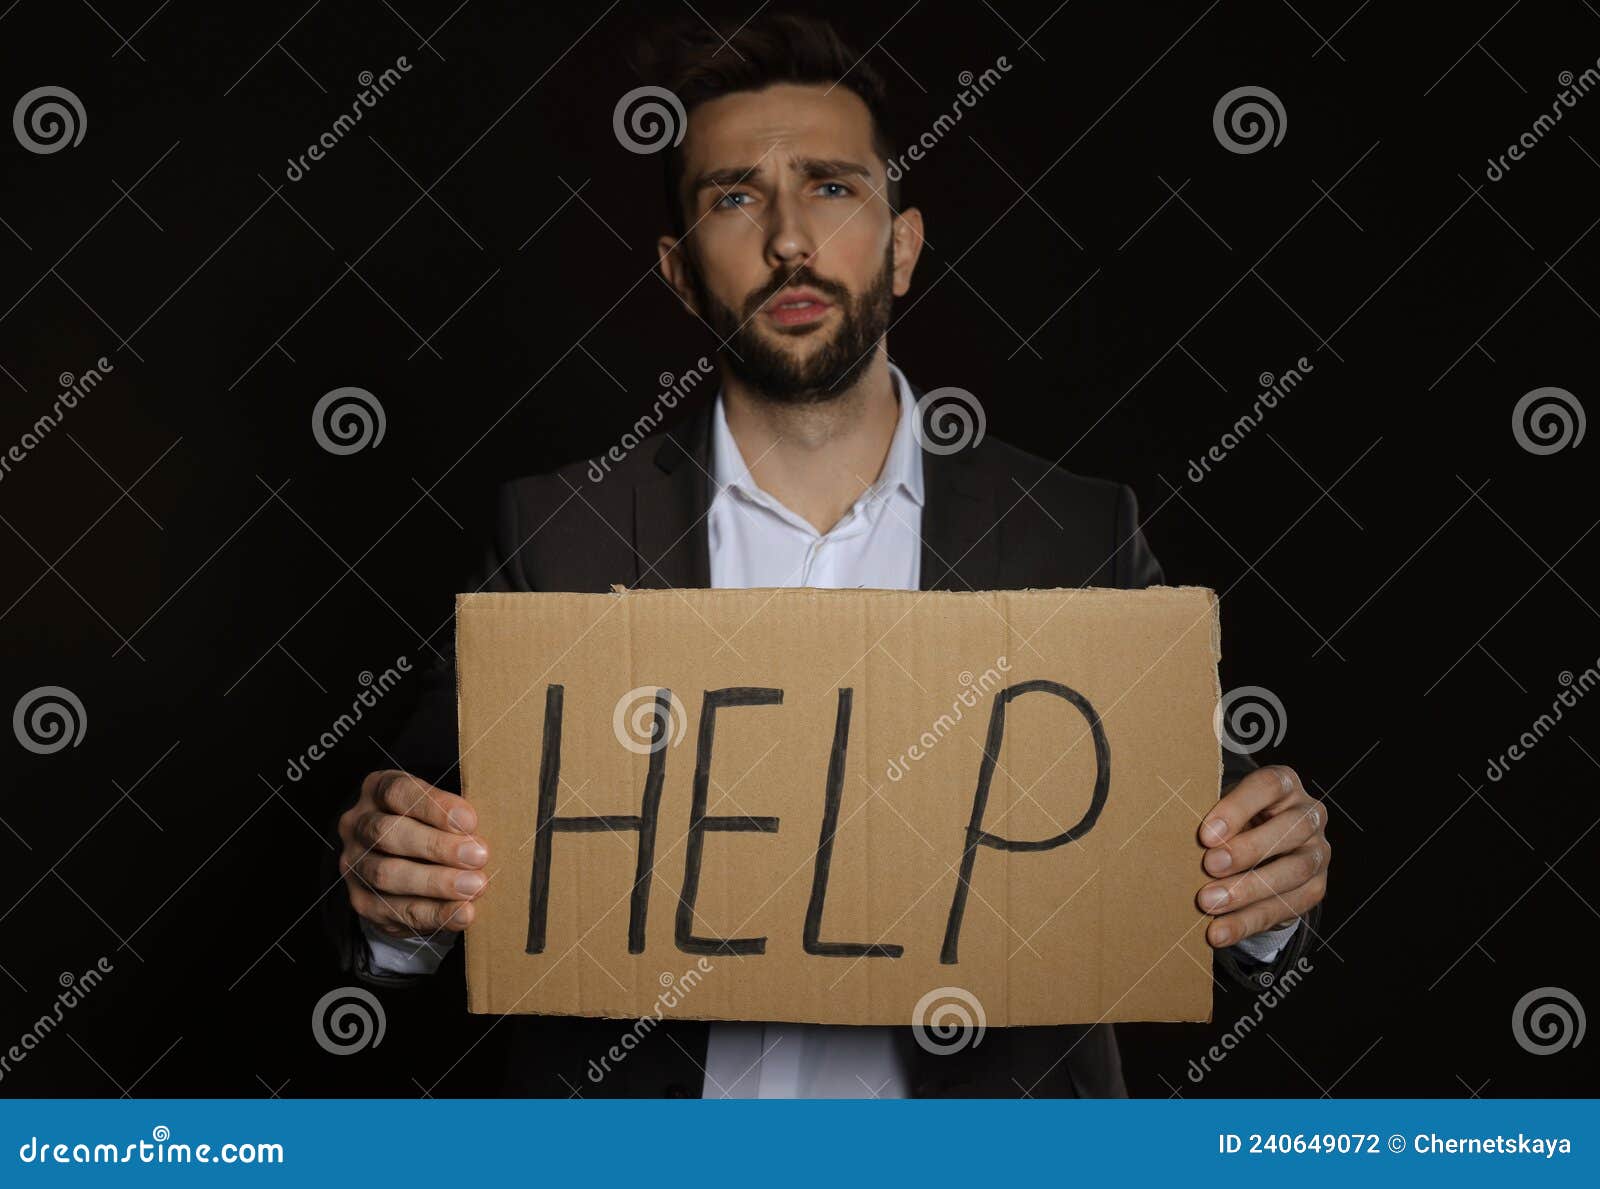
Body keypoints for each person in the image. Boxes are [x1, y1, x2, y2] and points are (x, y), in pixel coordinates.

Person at [330, 11, 1329, 1097]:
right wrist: (394, 899)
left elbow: (1203, 872)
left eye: (833, 187)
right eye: (734, 197)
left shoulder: (1074, 532)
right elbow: (408, 865)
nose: (789, 240)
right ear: (678, 271)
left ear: (901, 244)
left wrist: (1267, 890)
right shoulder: (551, 535)